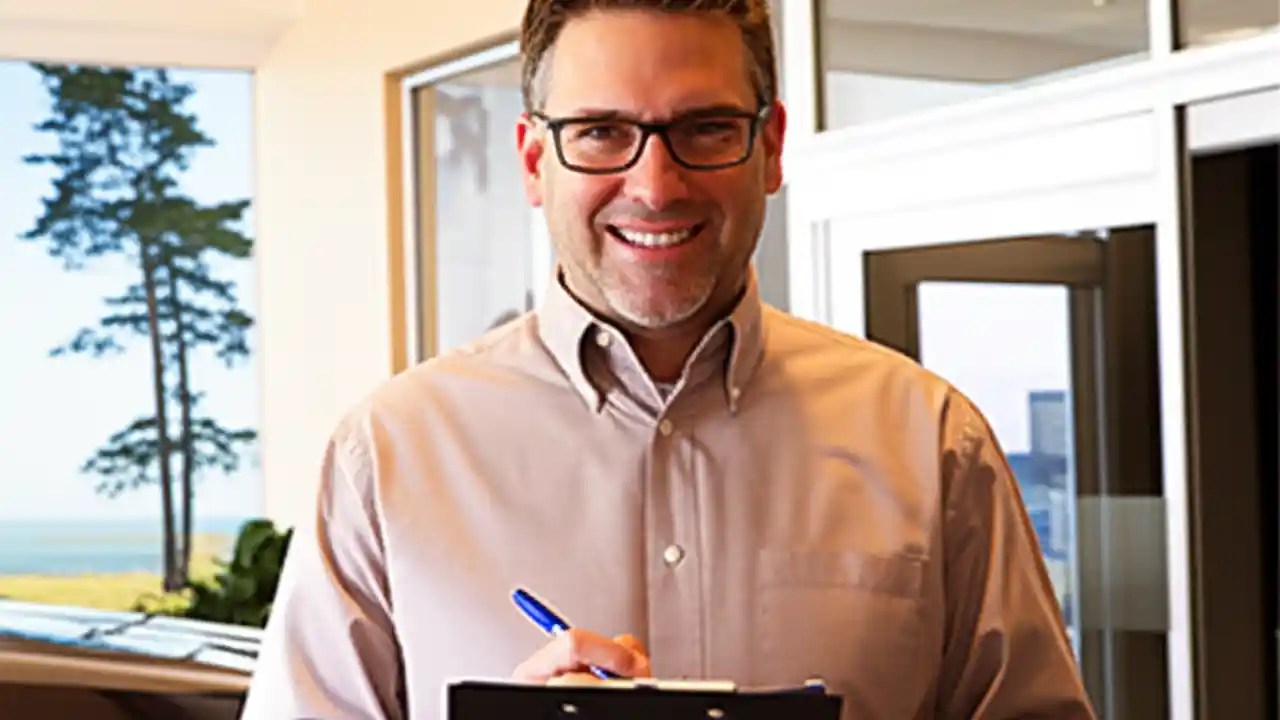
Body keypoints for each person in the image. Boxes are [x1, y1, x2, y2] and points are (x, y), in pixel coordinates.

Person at [241, 1, 1096, 718]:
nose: (655, 185)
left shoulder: (931, 440)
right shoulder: (388, 459)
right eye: (602, 132)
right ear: (536, 160)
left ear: (771, 147)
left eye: (705, 128)